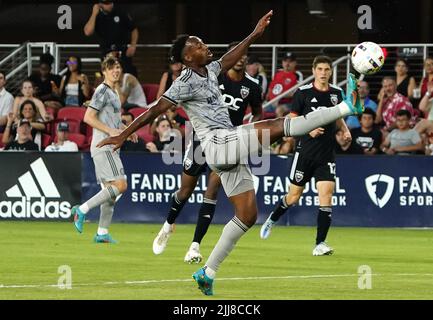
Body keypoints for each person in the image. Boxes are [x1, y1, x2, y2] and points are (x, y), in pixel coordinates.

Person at [97, 11, 363, 296]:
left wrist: (255, 34)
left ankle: (207, 272)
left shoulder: (210, 69)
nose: (204, 46)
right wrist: (122, 135)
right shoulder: (184, 82)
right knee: (274, 125)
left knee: (248, 215)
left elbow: (231, 57)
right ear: (188, 57)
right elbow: (154, 110)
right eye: (198, 45)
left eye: (202, 42)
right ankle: (345, 108)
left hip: (228, 149)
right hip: (217, 142)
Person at [150, 41, 263, 264]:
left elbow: (257, 113)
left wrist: (246, 132)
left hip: (228, 145)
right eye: (236, 54)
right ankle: (167, 225)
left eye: (243, 54)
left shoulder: (252, 86)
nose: (240, 58)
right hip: (202, 141)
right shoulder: (213, 74)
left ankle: (194, 246)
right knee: (185, 191)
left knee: (211, 190)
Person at [260, 55, 352, 257]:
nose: (323, 73)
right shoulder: (302, 93)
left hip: (326, 154)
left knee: (326, 196)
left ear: (331, 71)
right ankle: (272, 219)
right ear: (313, 70)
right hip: (305, 153)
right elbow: (291, 123)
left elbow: (337, 116)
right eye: (320, 69)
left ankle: (320, 243)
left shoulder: (337, 93)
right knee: (293, 197)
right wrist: (308, 130)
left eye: (327, 69)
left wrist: (344, 130)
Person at [71, 56, 128, 244]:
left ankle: (102, 233)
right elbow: (88, 117)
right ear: (104, 71)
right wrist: (111, 131)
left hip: (110, 145)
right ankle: (82, 210)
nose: (116, 70)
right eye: (111, 68)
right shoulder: (102, 90)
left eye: (118, 67)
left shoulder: (113, 92)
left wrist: (126, 131)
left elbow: (112, 119)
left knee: (110, 192)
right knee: (120, 186)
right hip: (104, 146)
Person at [84, 0, 139, 76]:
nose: (110, 5)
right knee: (108, 78)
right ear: (100, 4)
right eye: (106, 3)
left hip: (123, 52)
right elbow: (88, 32)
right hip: (107, 53)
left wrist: (133, 45)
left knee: (127, 77)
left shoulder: (120, 12)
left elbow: (134, 29)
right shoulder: (96, 16)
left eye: (111, 3)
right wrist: (94, 13)